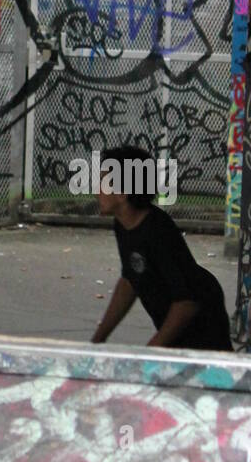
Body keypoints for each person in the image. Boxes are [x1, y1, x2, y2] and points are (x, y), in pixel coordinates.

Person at [92, 145, 232, 351]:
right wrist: (98, 339)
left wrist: (150, 351)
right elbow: (131, 279)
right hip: (176, 333)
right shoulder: (123, 224)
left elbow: (186, 303)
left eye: (102, 182)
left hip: (203, 330)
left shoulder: (157, 231)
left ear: (122, 192)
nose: (96, 191)